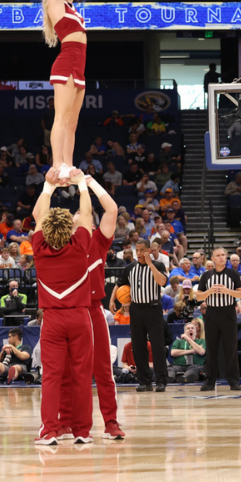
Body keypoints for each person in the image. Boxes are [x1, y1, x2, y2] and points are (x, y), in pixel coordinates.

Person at [27, 167, 95, 445]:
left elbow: (36, 216)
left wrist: (47, 186)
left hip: (52, 320)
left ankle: (50, 431)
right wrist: (81, 185)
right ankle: (81, 432)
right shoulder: (80, 245)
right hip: (80, 318)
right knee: (81, 376)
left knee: (51, 378)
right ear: (71, 229)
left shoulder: (39, 247)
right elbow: (87, 216)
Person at [42, 0, 90, 185]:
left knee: (72, 123)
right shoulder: (55, 3)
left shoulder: (70, 7)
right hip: (66, 62)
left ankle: (68, 166)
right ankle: (56, 164)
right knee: (61, 118)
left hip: (79, 65)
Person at [76, 174, 124, 440]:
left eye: (89, 220)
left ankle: (111, 422)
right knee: (70, 373)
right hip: (70, 311)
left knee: (103, 370)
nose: (87, 223)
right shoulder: (66, 245)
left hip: (93, 310)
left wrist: (89, 182)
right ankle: (66, 423)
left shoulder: (97, 242)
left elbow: (112, 209)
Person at [114, 239, 169, 392]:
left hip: (153, 308)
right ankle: (144, 381)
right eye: (136, 250)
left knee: (157, 346)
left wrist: (150, 264)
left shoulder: (158, 265)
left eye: (141, 250)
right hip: (136, 309)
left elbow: (162, 281)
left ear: (149, 251)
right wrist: (112, 300)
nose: (138, 253)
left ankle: (160, 381)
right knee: (138, 347)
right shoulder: (131, 267)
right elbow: (119, 285)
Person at [195, 246, 241, 391]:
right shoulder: (206, 276)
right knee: (211, 348)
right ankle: (210, 381)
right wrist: (209, 291)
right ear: (213, 258)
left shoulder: (233, 274)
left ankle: (234, 381)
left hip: (228, 312)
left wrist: (227, 291)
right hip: (212, 313)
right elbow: (198, 296)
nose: (222, 257)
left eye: (224, 255)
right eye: (218, 255)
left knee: (231, 348)